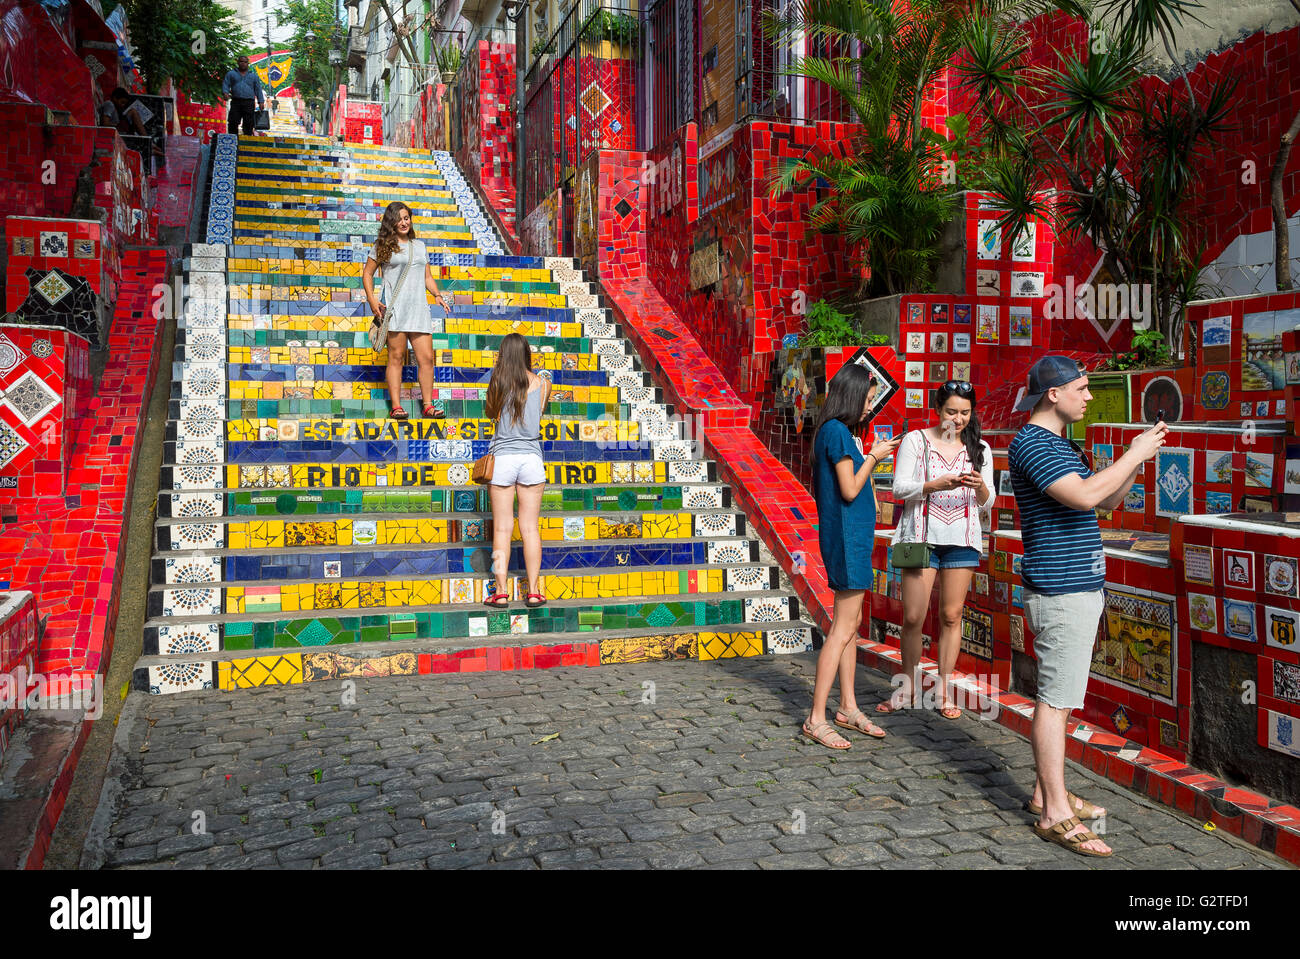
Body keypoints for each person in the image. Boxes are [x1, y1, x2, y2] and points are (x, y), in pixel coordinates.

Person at [1008, 356, 1166, 857]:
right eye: (1081, 387)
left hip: (1076, 586)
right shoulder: (1033, 443)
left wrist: (1137, 460)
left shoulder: (1055, 443)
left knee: (1063, 695)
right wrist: (1132, 452)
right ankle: (1055, 812)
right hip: (1061, 589)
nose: (1089, 396)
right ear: (1053, 393)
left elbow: (1106, 500)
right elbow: (1082, 495)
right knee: (1054, 702)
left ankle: (1044, 792)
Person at [802, 363, 903, 749]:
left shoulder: (837, 433)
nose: (870, 406)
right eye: (867, 398)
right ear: (851, 395)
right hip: (846, 538)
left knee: (853, 622)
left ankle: (846, 706)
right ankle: (816, 717)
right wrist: (875, 457)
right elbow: (848, 489)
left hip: (852, 537)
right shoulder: (838, 433)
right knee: (842, 627)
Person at [881, 380, 994, 718]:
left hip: (962, 540)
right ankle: (910, 686)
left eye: (964, 413)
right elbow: (899, 489)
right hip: (920, 538)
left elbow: (988, 504)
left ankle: (943, 690)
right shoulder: (917, 441)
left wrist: (980, 487)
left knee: (951, 615)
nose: (957, 419)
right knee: (913, 616)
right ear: (937, 409)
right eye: (951, 412)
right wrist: (933, 485)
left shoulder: (980, 449)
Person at [361, 202, 452, 419]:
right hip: (396, 309)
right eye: (399, 218)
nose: (404, 222)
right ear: (391, 221)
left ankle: (428, 405)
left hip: (419, 309)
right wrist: (373, 300)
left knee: (427, 358)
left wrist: (438, 295)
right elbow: (367, 274)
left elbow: (427, 276)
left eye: (407, 218)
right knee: (396, 356)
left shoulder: (419, 246)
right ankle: (396, 406)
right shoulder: (383, 245)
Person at [484, 333, 550, 609]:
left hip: (503, 459)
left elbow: (490, 414)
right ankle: (533, 591)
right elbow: (538, 415)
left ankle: (501, 592)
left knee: (502, 528)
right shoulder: (544, 384)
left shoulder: (497, 382)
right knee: (530, 529)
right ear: (526, 354)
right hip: (531, 458)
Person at [222, 55, 266, 135]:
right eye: (241, 61)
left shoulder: (253, 76)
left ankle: (247, 142)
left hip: (249, 103)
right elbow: (226, 84)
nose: (243, 63)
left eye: (245, 62)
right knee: (233, 122)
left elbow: (258, 89)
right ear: (238, 62)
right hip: (236, 102)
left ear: (247, 64)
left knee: (248, 123)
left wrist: (261, 102)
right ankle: (233, 142)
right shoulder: (231, 74)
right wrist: (225, 93)